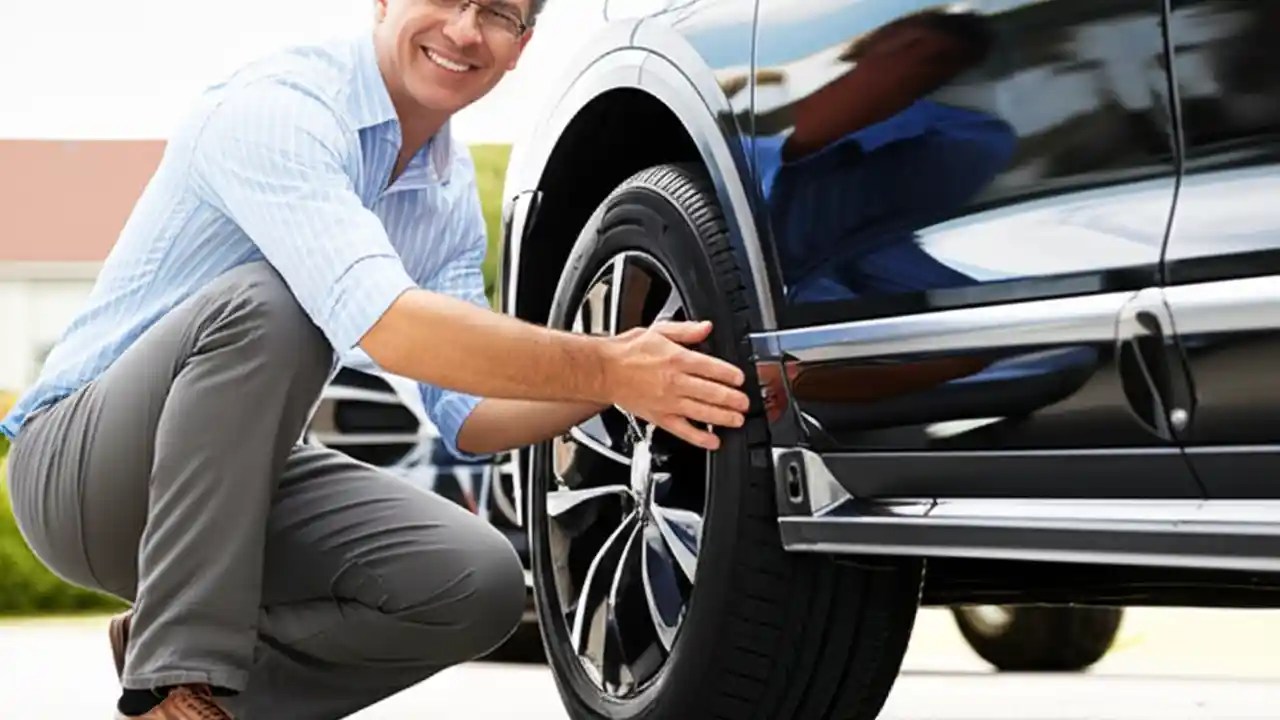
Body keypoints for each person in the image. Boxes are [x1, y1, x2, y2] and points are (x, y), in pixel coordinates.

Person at [0, 0, 750, 717]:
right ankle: (175, 678)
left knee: (475, 582)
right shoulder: (280, 109)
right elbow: (386, 326)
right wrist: (607, 366)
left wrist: (642, 378)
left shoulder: (447, 199)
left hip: (236, 487)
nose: (465, 30)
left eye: (498, 13)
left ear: (521, 46)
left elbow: (471, 414)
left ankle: (204, 700)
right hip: (81, 467)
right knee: (278, 300)